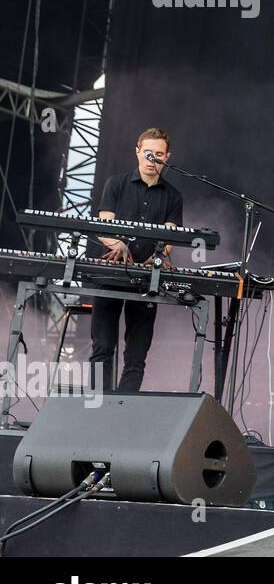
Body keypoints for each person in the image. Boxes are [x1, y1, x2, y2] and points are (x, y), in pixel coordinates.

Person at [89, 127, 183, 392]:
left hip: (146, 280)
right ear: (138, 152)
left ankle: (123, 409)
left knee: (136, 356)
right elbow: (104, 224)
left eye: (159, 155)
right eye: (148, 153)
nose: (152, 159)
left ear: (167, 156)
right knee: (102, 347)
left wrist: (158, 255)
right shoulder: (116, 183)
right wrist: (116, 243)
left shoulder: (174, 196)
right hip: (110, 274)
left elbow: (169, 239)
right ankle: (97, 406)